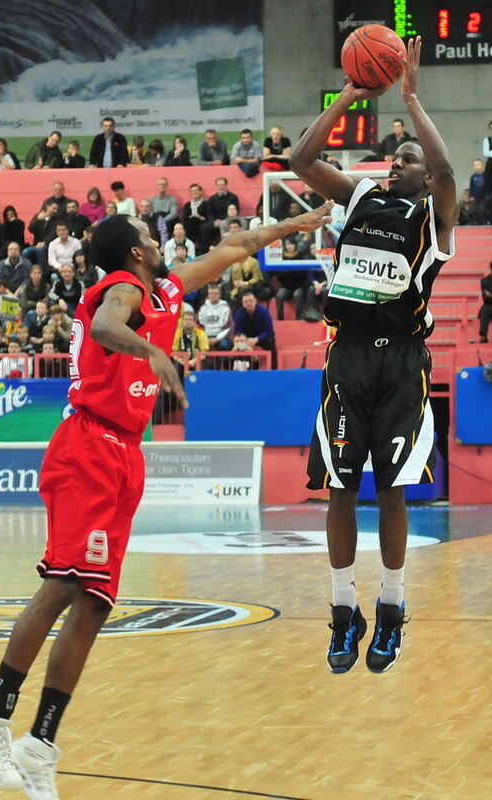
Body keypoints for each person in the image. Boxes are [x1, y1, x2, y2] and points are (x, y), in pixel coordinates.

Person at [0, 204, 332, 799]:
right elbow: (107, 327)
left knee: (97, 602)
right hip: (86, 446)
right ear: (135, 252)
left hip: (124, 453)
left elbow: (234, 247)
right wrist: (152, 353)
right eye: (146, 237)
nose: (156, 241)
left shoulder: (165, 287)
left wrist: (292, 226)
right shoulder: (123, 289)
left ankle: (39, 745)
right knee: (61, 585)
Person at [289, 37, 458, 675]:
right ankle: (343, 611)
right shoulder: (359, 198)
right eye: (393, 157)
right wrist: (351, 94)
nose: (397, 163)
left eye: (407, 158)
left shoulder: (435, 220)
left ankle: (391, 607)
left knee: (391, 492)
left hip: (402, 364)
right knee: (338, 490)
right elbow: (303, 158)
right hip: (348, 357)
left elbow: (445, 175)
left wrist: (411, 98)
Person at [233, 290, 277, 367]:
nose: (248, 303)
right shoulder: (239, 313)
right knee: (239, 345)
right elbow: (238, 330)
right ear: (242, 303)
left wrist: (257, 339)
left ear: (255, 301)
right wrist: (245, 340)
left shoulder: (264, 311)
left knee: (270, 342)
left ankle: (274, 368)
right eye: (245, 301)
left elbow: (269, 330)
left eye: (250, 301)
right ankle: (246, 369)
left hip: (262, 337)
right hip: (247, 338)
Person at [199, 176, 240, 251]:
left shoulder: (233, 197)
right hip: (216, 221)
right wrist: (214, 221)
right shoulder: (212, 198)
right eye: (218, 185)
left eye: (222, 185)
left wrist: (224, 221)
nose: (220, 187)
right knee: (204, 227)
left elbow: (236, 211)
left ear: (226, 185)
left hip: (228, 221)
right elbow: (209, 213)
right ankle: (204, 250)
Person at [197, 283, 232, 350]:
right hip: (205, 335)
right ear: (208, 295)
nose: (213, 295)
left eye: (215, 293)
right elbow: (199, 325)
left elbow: (227, 327)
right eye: (211, 293)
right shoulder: (203, 308)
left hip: (220, 336)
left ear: (219, 295)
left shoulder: (225, 308)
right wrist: (205, 338)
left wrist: (217, 339)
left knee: (224, 345)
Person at [182, 183, 210, 248]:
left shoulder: (206, 204)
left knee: (195, 221)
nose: (194, 192)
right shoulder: (187, 205)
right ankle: (191, 244)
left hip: (202, 223)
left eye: (196, 190)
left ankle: (197, 244)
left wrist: (199, 217)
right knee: (191, 221)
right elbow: (185, 217)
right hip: (190, 225)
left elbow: (208, 217)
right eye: (192, 191)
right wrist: (192, 216)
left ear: (200, 192)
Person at [468, 159, 489, 224]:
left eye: (478, 164)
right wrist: (471, 195)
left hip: (483, 196)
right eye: (475, 165)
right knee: (474, 209)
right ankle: (475, 222)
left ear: (482, 166)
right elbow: (471, 187)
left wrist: (487, 195)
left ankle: (483, 221)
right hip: (475, 196)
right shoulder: (473, 177)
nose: (476, 166)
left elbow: (487, 186)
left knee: (482, 209)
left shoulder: (485, 176)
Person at [478, 261, 492, 343]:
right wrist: (488, 296)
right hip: (489, 305)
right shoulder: (485, 281)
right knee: (485, 311)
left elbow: (488, 295)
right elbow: (485, 298)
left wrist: (490, 295)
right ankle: (483, 336)